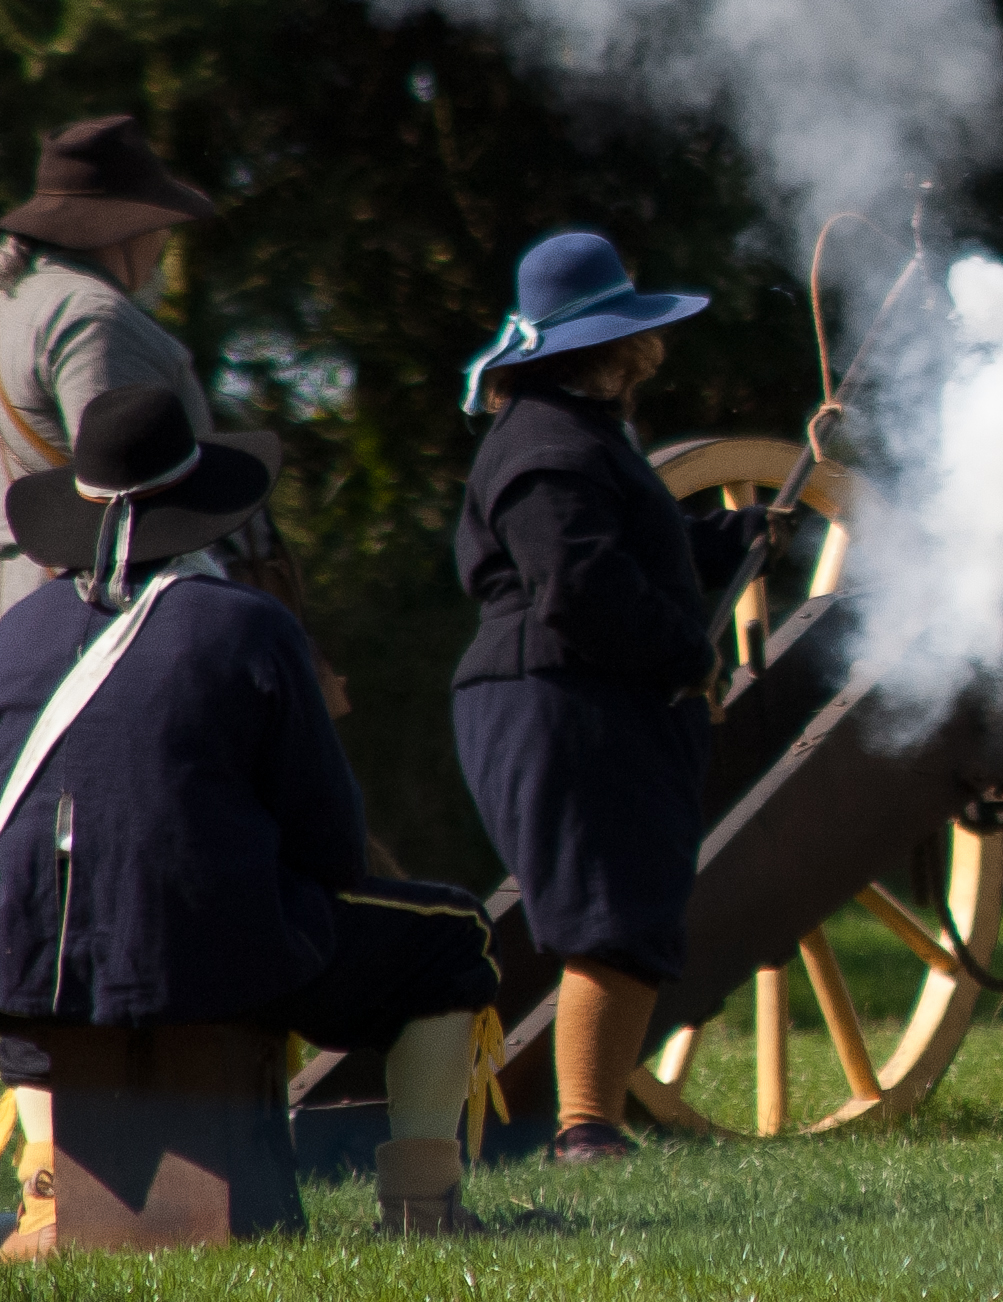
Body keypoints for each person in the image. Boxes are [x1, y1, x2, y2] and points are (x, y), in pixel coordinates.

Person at [0, 386, 502, 1252]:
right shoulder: (248, 625)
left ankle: (49, 1198)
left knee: (33, 974)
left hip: (19, 971)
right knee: (451, 938)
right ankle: (424, 1208)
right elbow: (330, 838)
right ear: (201, 508)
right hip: (204, 951)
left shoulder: (15, 632)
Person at [452, 231, 763, 1162]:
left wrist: (739, 539)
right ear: (613, 349)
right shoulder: (549, 446)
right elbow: (579, 585)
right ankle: (586, 1131)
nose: (647, 355)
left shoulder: (574, 435)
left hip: (575, 697)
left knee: (623, 911)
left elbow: (641, 544)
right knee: (609, 916)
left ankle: (592, 1126)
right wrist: (686, 656)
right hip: (562, 702)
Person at [0, 115, 218, 615]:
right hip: (97, 616)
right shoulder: (94, 318)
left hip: (29, 607)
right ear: (124, 229)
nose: (164, 241)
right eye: (158, 223)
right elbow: (131, 506)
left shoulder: (16, 303)